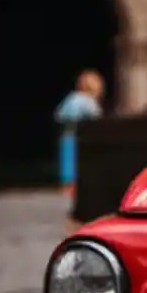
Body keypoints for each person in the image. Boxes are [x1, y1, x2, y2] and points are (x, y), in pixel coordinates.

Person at [54, 70, 104, 199]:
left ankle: (67, 186)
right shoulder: (88, 102)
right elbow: (96, 119)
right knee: (79, 163)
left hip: (68, 135)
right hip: (82, 139)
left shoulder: (71, 99)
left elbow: (59, 115)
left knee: (68, 163)